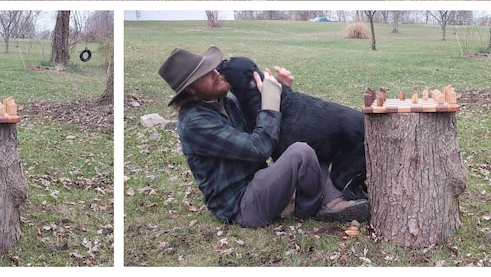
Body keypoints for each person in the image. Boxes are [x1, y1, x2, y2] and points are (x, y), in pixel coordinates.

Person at [158, 46, 370, 228]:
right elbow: (259, 147)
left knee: (319, 140)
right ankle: (314, 205)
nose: (215, 72)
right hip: (241, 206)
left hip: (261, 183)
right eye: (205, 74)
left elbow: (267, 117)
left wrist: (280, 90)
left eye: (211, 67)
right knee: (300, 151)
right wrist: (270, 102)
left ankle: (333, 197)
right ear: (191, 90)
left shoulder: (226, 104)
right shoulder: (195, 123)